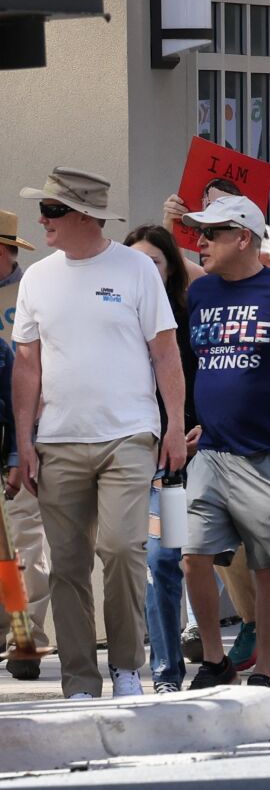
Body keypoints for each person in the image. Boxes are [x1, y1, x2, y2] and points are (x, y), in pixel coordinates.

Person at [9, 168, 186, 699]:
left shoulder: (136, 269)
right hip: (58, 440)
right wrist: (24, 441)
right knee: (66, 565)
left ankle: (128, 668)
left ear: (85, 215)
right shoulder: (38, 278)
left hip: (130, 435)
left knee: (122, 549)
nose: (43, 220)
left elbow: (164, 352)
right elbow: (26, 366)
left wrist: (174, 425)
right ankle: (80, 681)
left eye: (53, 211)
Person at [171, 197, 270, 691]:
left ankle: (264, 668)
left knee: (269, 566)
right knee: (192, 556)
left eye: (211, 234)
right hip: (212, 451)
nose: (200, 243)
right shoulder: (202, 294)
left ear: (243, 237)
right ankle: (215, 659)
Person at [123, 225, 201, 693]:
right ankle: (162, 669)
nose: (143, 271)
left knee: (166, 556)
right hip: (125, 454)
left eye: (153, 261)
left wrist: (191, 428)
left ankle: (170, 668)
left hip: (178, 458)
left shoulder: (190, 315)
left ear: (171, 267)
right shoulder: (114, 318)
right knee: (149, 559)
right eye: (134, 262)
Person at [0, 209, 55, 679]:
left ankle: (26, 637)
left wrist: (21, 453)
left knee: (23, 552)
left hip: (22, 444)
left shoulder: (33, 292)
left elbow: (30, 378)